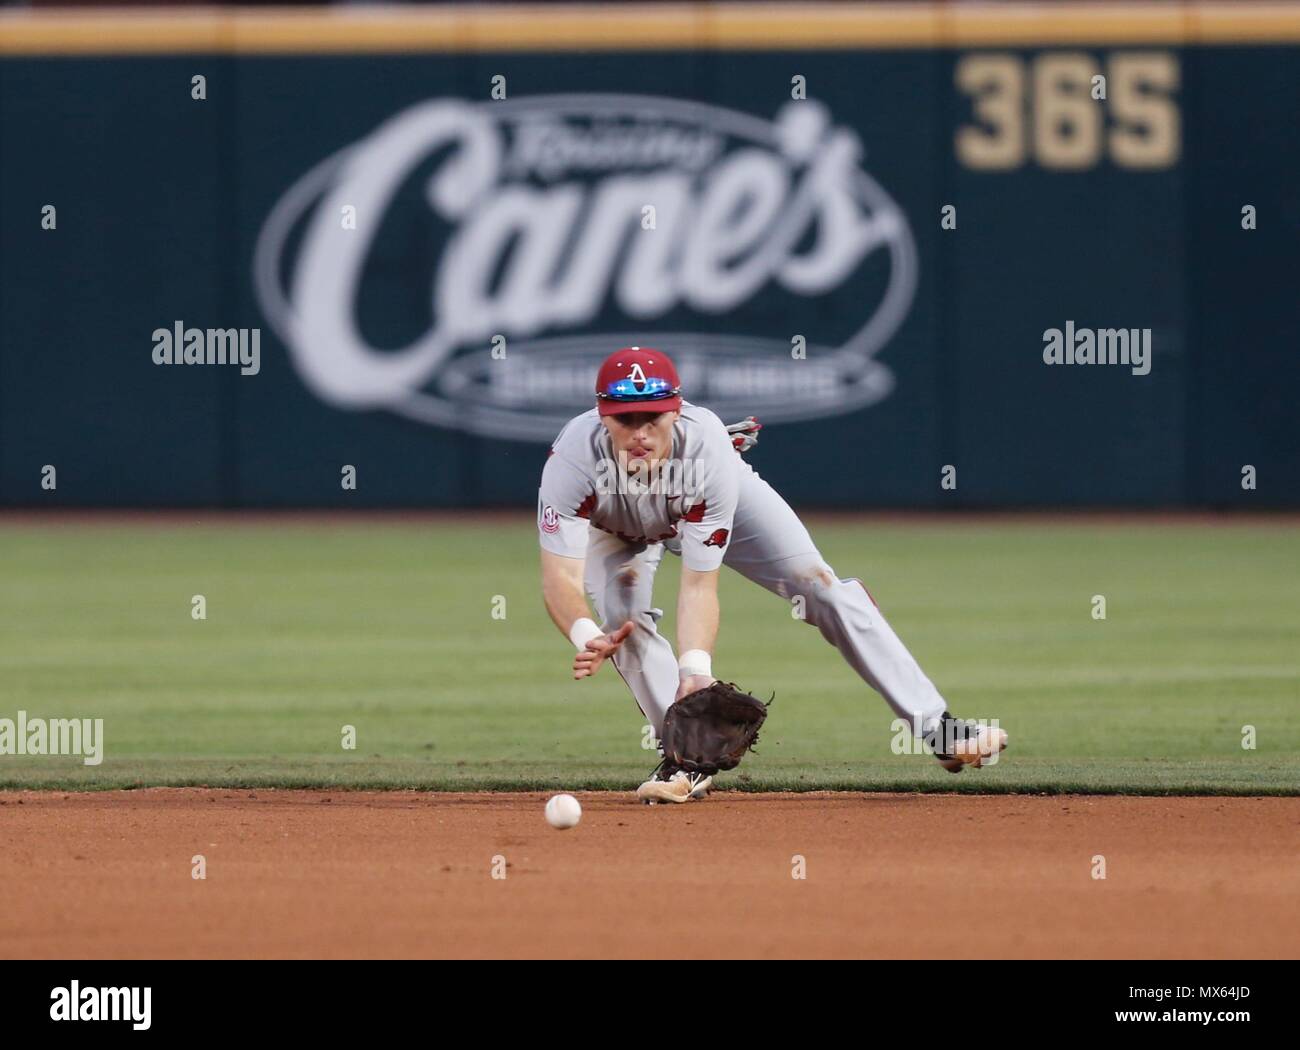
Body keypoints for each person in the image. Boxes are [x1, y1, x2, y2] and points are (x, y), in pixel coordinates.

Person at [537, 347, 1006, 803]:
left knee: (817, 587)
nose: (640, 431)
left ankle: (938, 728)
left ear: (677, 412)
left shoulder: (707, 450)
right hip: (615, 532)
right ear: (602, 415)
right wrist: (585, 634)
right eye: (626, 418)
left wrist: (695, 672)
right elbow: (559, 576)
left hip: (708, 499)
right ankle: (685, 761)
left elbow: (699, 585)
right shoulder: (573, 460)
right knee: (625, 628)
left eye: (653, 417)